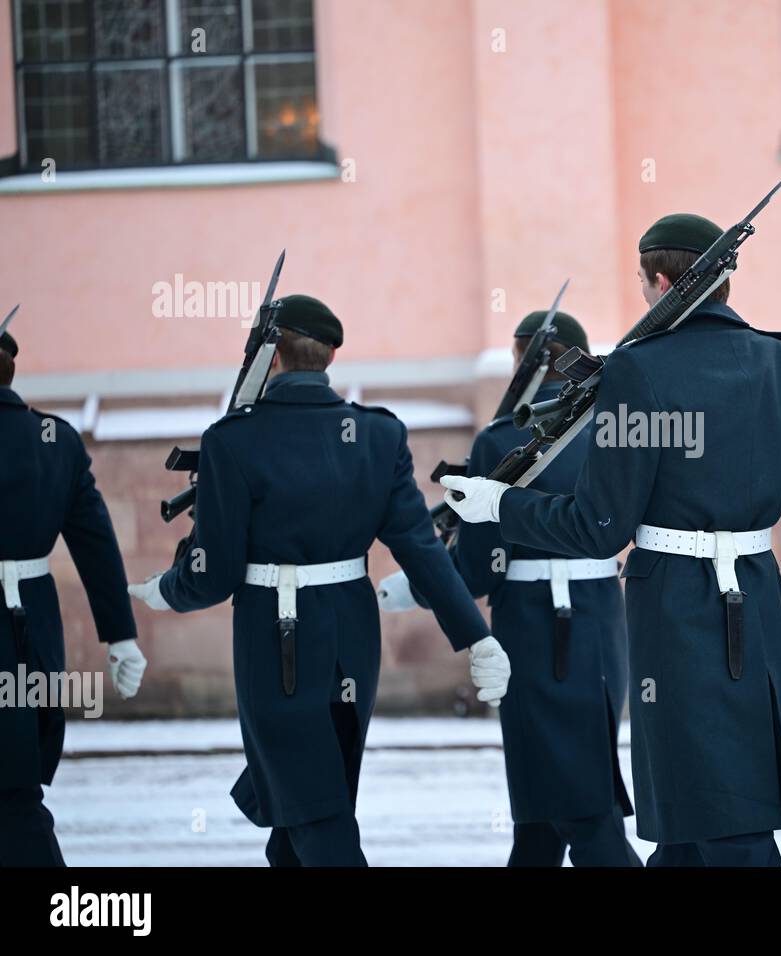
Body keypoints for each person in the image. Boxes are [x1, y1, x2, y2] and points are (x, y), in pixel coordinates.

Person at [440, 214, 781, 867]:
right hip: (759, 597)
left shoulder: (637, 372)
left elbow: (597, 528)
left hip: (674, 609)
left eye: (642, 281)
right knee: (697, 824)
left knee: (725, 822)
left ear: (663, 280)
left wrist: (501, 504)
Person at [128, 295, 510, 867]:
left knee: (316, 817)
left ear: (271, 356)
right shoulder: (378, 436)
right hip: (353, 639)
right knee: (303, 812)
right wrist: (474, 635)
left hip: (275, 642)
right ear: (332, 354)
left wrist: (168, 588)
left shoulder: (233, 439)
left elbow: (216, 571)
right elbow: (421, 548)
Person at [381, 311, 640, 867]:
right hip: (602, 623)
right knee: (544, 810)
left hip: (534, 627)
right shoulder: (612, 429)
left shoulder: (499, 439)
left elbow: (479, 568)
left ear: (524, 359)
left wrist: (422, 586)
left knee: (576, 803)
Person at [0, 320, 145, 866]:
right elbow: (95, 542)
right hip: (30, 635)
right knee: (17, 789)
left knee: (13, 805)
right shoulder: (54, 440)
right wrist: (120, 636)